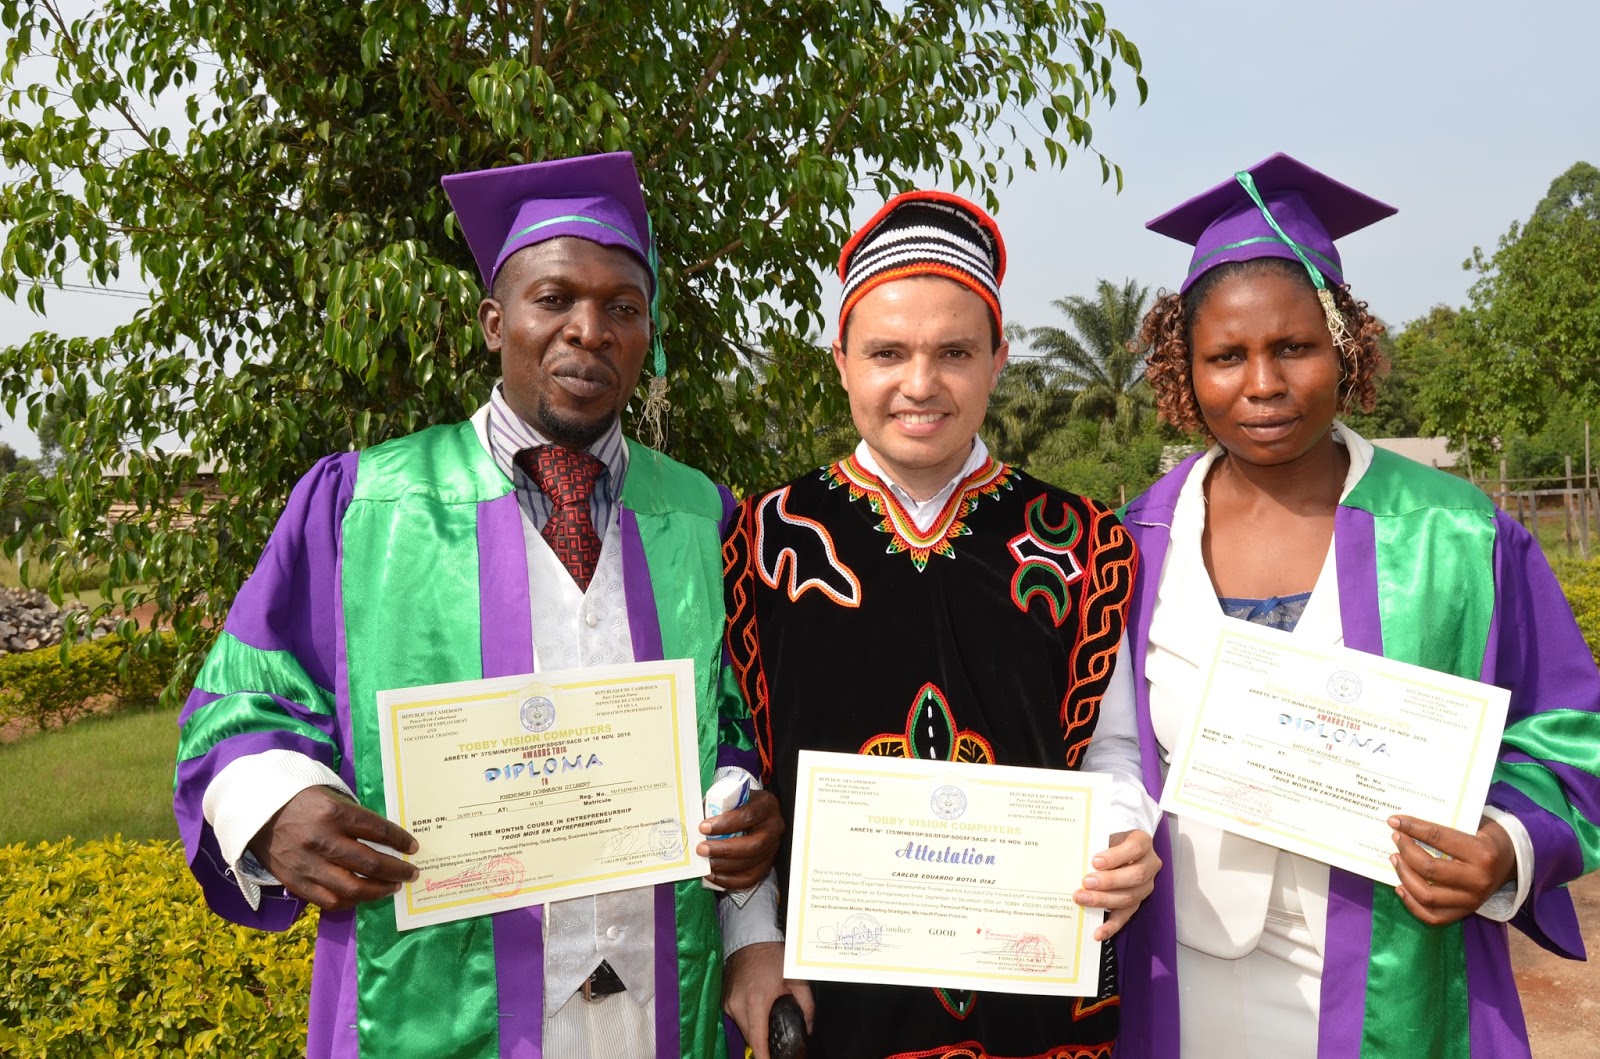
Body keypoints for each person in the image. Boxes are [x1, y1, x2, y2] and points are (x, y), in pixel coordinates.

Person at [172, 151, 781, 1059]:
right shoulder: (364, 506)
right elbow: (245, 699)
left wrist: (748, 807)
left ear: (648, 332)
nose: (591, 330)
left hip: (659, 1001)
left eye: (623, 306)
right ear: (496, 321)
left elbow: (741, 713)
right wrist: (277, 802)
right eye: (555, 299)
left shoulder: (703, 514)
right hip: (438, 1003)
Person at [1114, 153, 1600, 1058]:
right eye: (1226, 356)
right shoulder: (1134, 543)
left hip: (1392, 974)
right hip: (1179, 978)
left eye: (1293, 346)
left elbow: (1568, 730)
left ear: (1346, 346)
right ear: (1187, 368)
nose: (1262, 383)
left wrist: (1505, 845)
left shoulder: (1458, 536)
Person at [718, 190, 1162, 1058]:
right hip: (821, 999)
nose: (919, 384)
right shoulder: (763, 539)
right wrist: (752, 934)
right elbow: (739, 761)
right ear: (840, 359)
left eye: (954, 351)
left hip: (1029, 997)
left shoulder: (1082, 544)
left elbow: (1107, 745)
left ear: (999, 358)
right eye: (887, 351)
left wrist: (1122, 831)